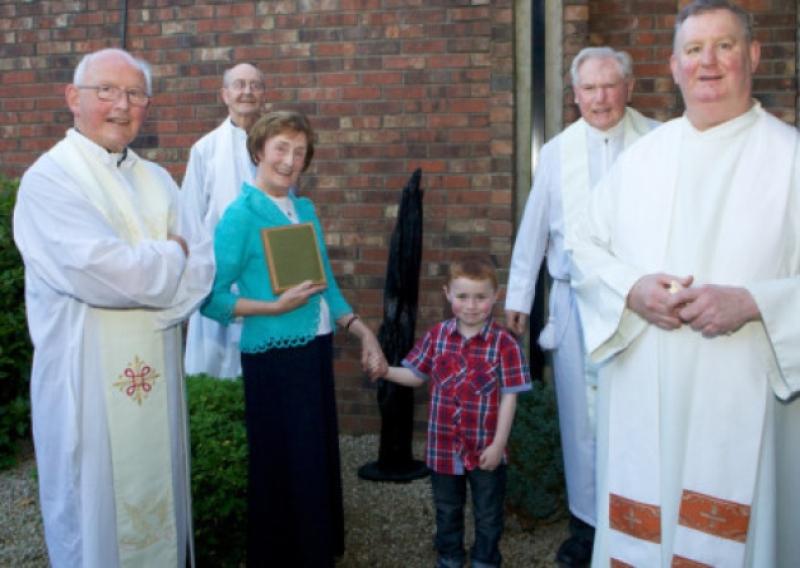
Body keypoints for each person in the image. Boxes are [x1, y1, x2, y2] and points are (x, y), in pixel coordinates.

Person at [570, 1, 800, 566]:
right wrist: (631, 289)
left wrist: (755, 302)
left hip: (745, 391)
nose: (708, 62)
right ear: (674, 67)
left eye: (724, 46)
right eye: (694, 50)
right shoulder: (641, 159)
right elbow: (584, 247)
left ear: (753, 56)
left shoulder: (790, 157)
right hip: (645, 390)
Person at [13, 48, 214, 567]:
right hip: (85, 383)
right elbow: (104, 274)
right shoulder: (50, 179)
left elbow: (203, 264)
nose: (121, 105)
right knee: (93, 516)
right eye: (106, 90)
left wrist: (161, 283)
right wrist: (171, 257)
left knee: (159, 504)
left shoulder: (158, 178)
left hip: (155, 369)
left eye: (135, 94)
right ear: (72, 98)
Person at [200, 110, 387, 567]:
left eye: (299, 152)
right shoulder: (241, 215)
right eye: (281, 148)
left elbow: (327, 285)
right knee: (284, 466)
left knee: (314, 458)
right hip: (274, 358)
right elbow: (211, 298)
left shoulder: (304, 210)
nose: (289, 160)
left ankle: (316, 552)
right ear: (258, 151)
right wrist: (273, 307)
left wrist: (362, 331)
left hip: (315, 349)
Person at [505, 46, 659, 566]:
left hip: (640, 306)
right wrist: (519, 296)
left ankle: (636, 524)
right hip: (575, 301)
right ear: (574, 96)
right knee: (580, 421)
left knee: (637, 416)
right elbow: (534, 227)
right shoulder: (558, 152)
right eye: (589, 88)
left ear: (629, 87)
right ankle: (587, 527)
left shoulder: (659, 142)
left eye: (610, 85)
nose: (600, 98)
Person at [378, 255, 532, 568]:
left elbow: (510, 398)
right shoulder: (437, 337)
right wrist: (385, 371)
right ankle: (449, 557)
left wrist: (499, 444)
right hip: (444, 448)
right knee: (447, 509)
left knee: (488, 512)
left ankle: (485, 559)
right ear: (447, 294)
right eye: (462, 296)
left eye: (480, 297)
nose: (471, 306)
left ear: (495, 296)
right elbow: (416, 375)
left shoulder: (505, 344)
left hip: (486, 448)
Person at [182, 62, 267, 379]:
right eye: (239, 84)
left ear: (263, 94)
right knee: (217, 368)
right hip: (219, 274)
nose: (247, 91)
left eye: (255, 85)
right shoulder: (205, 149)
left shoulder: (276, 146)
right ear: (225, 94)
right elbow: (190, 217)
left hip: (265, 275)